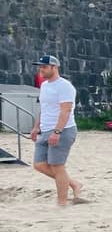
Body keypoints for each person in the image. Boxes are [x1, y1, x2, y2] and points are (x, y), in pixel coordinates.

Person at [30, 56, 82, 206]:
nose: (41, 69)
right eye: (40, 67)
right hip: (45, 129)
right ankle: (73, 184)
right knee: (39, 164)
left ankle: (62, 203)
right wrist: (36, 127)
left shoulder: (65, 86)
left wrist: (57, 132)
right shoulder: (44, 85)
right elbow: (44, 108)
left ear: (54, 67)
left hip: (63, 130)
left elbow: (65, 111)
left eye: (44, 67)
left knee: (57, 166)